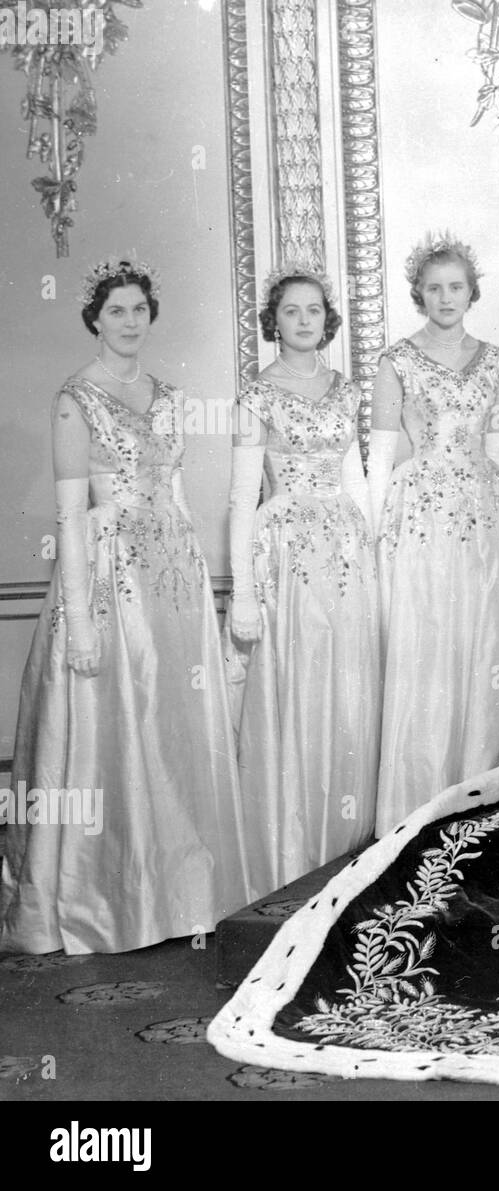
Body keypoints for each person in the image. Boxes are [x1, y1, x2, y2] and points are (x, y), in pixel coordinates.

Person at [0, 260, 250, 953]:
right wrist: (78, 619)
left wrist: (198, 585)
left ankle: (179, 895)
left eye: (140, 308)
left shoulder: (168, 396)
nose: (131, 320)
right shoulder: (74, 398)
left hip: (171, 579)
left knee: (170, 730)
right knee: (116, 727)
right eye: (117, 310)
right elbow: (71, 516)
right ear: (95, 319)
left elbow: (174, 496)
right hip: (108, 580)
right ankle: (106, 895)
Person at [226, 264, 379, 887]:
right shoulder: (256, 395)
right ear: (274, 321)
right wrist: (241, 594)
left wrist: (375, 554)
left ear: (328, 319)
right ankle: (292, 847)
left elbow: (356, 480)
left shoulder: (346, 390)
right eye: (291, 310)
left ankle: (347, 843)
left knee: (347, 686)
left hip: (345, 550)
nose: (304, 320)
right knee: (297, 687)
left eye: (314, 310)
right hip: (285, 555)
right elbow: (240, 498)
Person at [367, 233, 499, 835]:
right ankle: (415, 808)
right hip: (421, 515)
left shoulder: (498, 361)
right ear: (419, 294)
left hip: (484, 513)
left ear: (472, 292)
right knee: (427, 645)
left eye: (456, 286)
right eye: (434, 287)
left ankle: (476, 803)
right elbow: (381, 458)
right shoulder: (394, 361)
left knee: (482, 648)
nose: (446, 297)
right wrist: (374, 537)